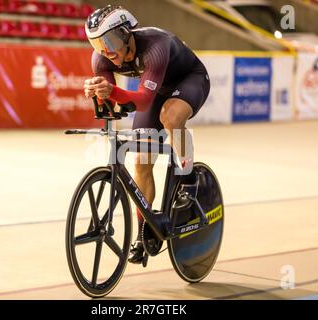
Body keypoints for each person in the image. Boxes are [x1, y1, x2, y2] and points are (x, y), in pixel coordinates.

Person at [83, 5, 210, 264]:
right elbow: (115, 106)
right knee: (142, 160)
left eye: (109, 40)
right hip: (157, 89)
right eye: (97, 43)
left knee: (171, 117)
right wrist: (98, 94)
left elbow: (141, 100)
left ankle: (188, 180)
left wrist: (111, 91)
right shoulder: (101, 59)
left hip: (190, 79)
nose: (105, 49)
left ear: (126, 33)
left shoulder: (155, 45)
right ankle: (144, 232)